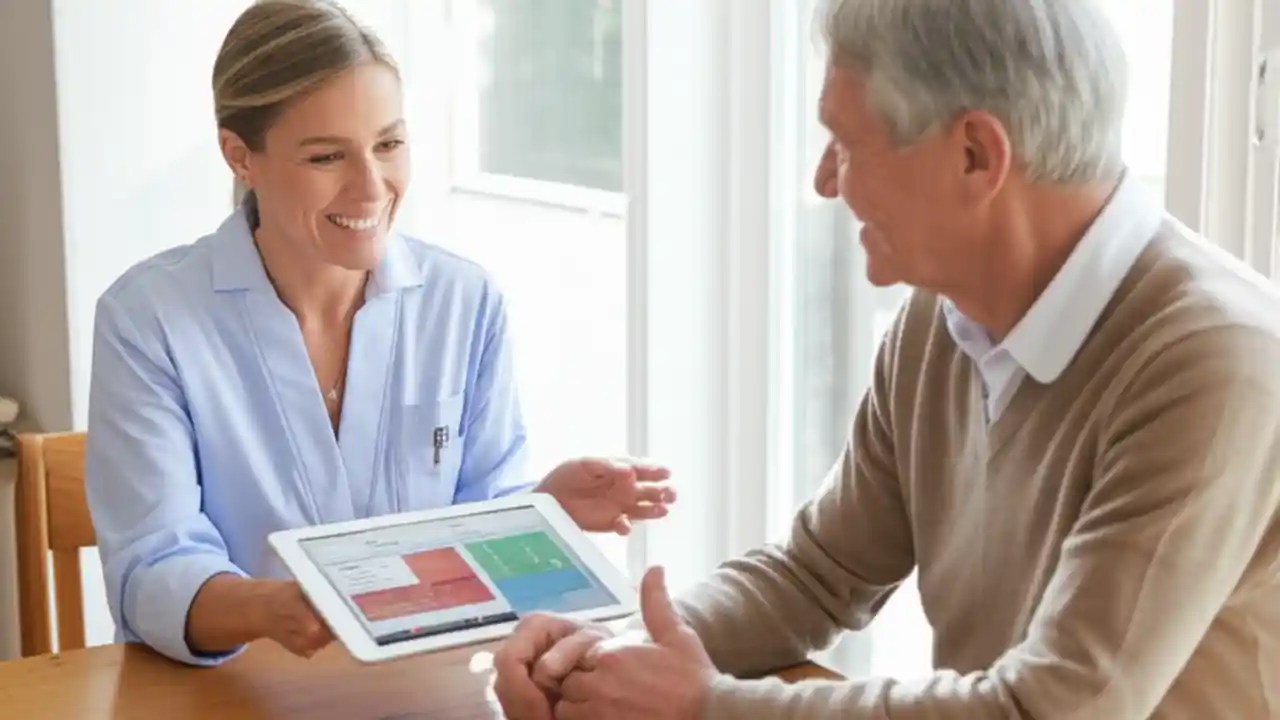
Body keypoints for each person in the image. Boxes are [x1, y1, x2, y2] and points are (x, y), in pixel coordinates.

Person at [492, 0, 1280, 717]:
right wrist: (609, 652)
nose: (824, 181)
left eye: (844, 141)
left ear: (976, 154)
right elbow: (818, 573)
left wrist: (706, 708)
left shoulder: (1217, 362)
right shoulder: (941, 318)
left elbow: (1057, 709)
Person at [84, 0, 674, 667]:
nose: (372, 188)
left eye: (388, 145)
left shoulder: (464, 301)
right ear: (239, 155)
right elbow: (150, 568)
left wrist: (541, 510)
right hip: (226, 698)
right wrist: (271, 607)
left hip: (426, 693)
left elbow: (475, 526)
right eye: (327, 156)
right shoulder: (148, 320)